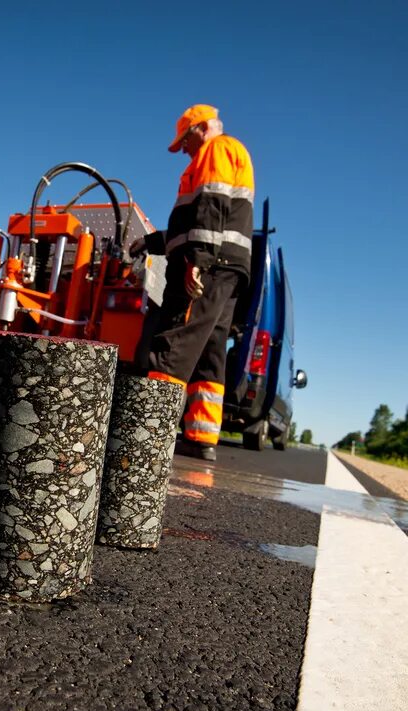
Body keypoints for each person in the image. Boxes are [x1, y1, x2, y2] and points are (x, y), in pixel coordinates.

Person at [146, 104, 255, 462]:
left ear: (201, 129)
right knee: (210, 350)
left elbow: (211, 206)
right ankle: (200, 437)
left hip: (211, 264)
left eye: (185, 141)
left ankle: (150, 432)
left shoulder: (216, 149)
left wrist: (199, 260)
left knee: (176, 338)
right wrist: (150, 242)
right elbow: (194, 224)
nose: (184, 151)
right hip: (228, 267)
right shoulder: (229, 152)